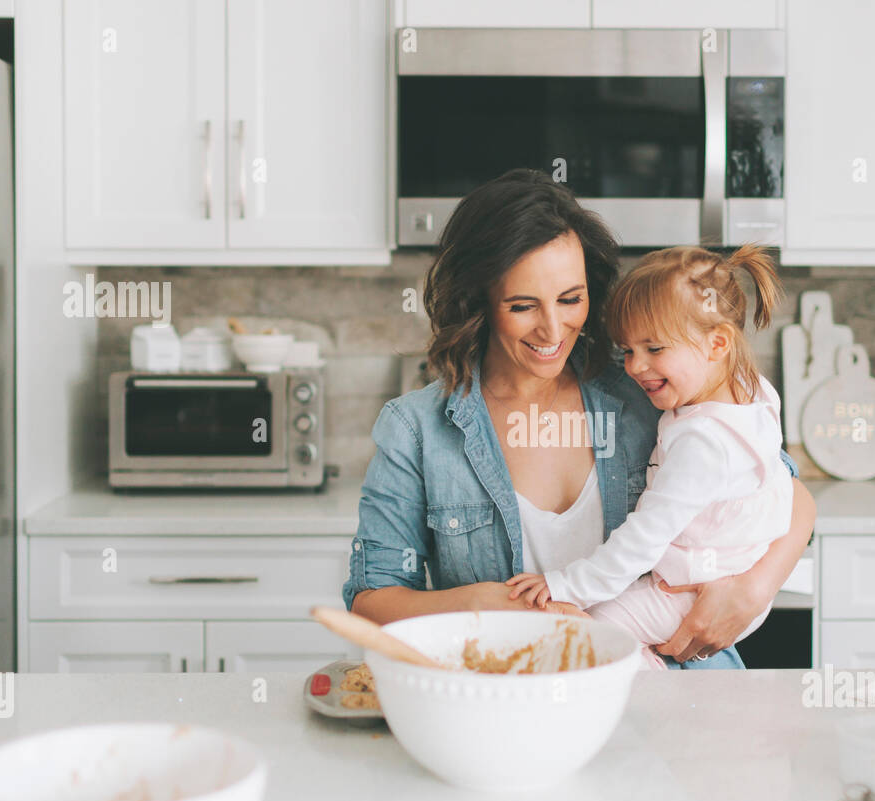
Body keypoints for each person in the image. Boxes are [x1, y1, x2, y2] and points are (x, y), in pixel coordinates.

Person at [343, 169, 815, 667]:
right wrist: (481, 606)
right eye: (523, 305)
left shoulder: (646, 387)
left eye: (571, 299)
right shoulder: (417, 429)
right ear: (478, 301)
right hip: (511, 699)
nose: (553, 328)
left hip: (687, 691)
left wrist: (753, 590)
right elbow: (370, 601)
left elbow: (787, 491)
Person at [506, 245, 792, 669]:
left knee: (594, 637)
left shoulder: (704, 445)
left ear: (717, 344)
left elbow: (642, 540)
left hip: (695, 592)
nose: (636, 367)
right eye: (627, 350)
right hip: (726, 577)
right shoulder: (749, 393)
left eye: (654, 349)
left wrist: (566, 586)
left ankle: (659, 708)